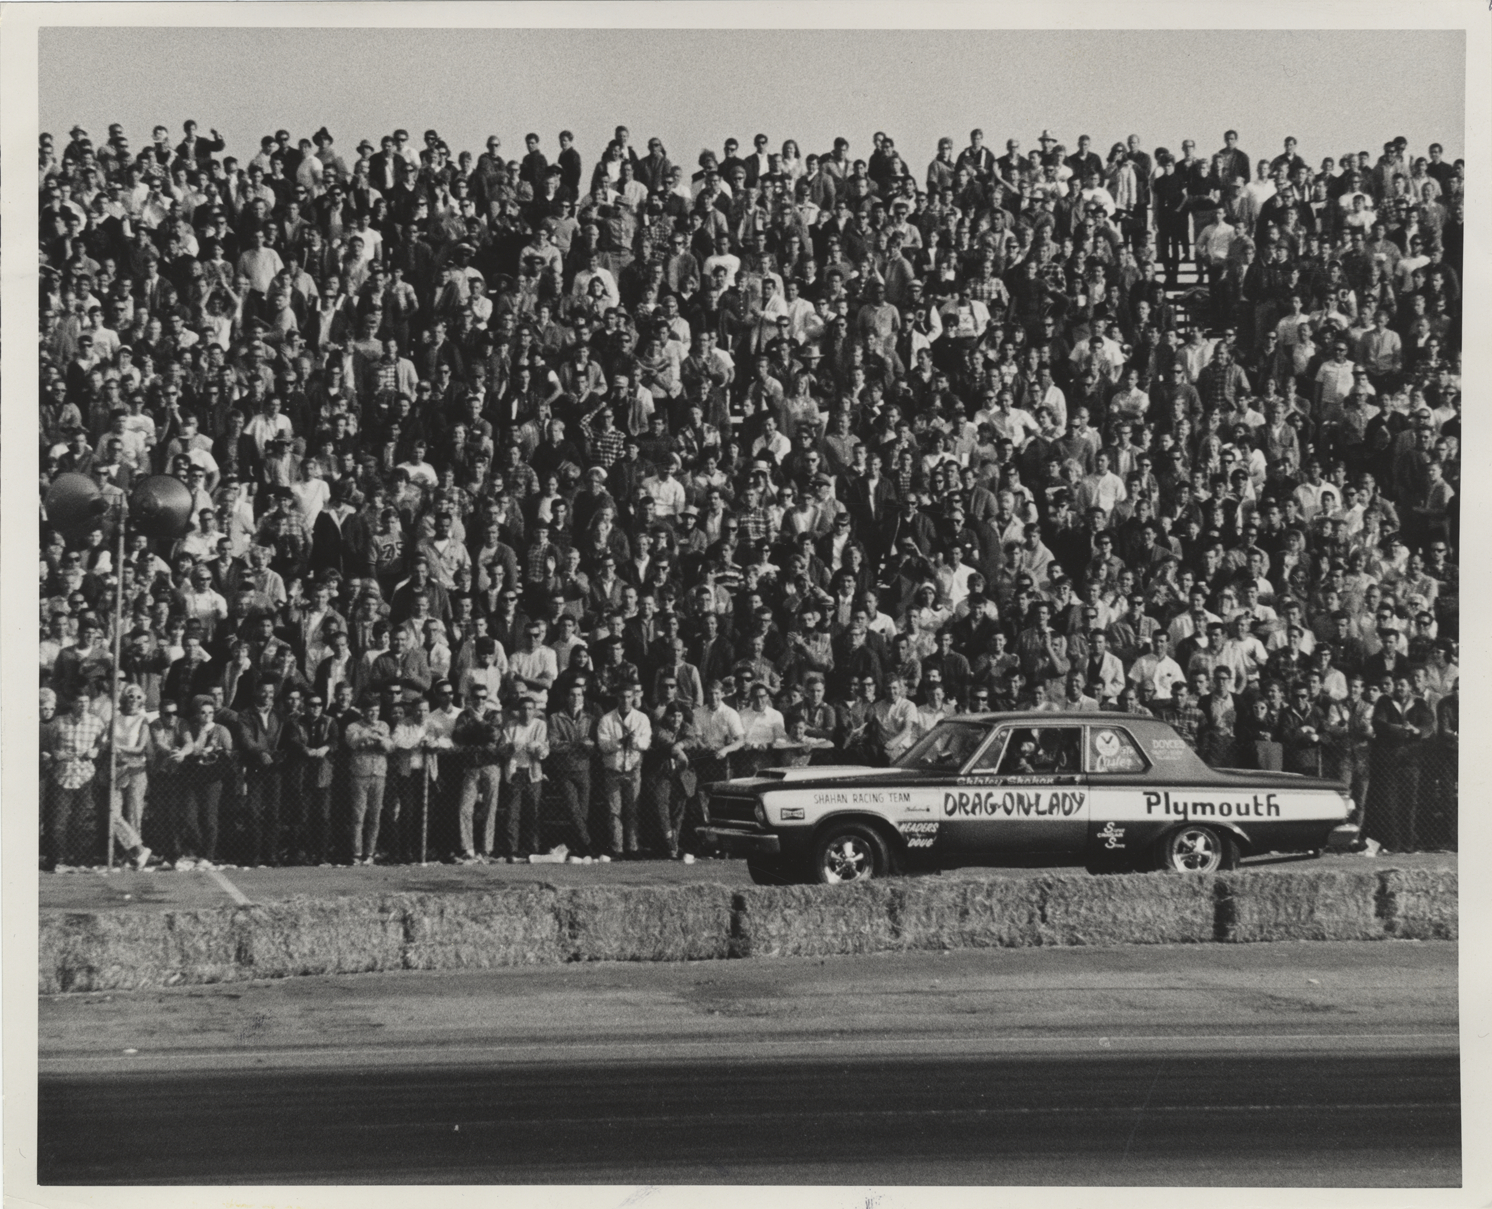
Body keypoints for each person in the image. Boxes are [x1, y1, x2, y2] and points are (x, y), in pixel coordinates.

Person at [597, 680, 651, 858]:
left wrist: (633, 740)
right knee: (614, 810)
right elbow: (603, 745)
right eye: (621, 697)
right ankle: (617, 848)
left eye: (628, 697)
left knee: (632, 809)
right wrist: (619, 741)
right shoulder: (607, 719)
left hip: (633, 769)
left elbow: (645, 743)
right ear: (616, 698)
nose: (625, 701)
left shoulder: (641, 718)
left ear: (634, 697)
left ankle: (632, 847)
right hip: (613, 770)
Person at [344, 696, 394, 865]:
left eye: (377, 711)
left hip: (379, 774)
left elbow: (389, 747)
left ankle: (370, 853)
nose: (374, 714)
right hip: (360, 774)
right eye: (371, 710)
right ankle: (356, 853)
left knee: (375, 815)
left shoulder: (384, 726)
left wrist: (380, 739)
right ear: (363, 711)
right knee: (358, 816)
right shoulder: (353, 726)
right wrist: (367, 734)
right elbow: (352, 742)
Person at [499, 692, 550, 860]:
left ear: (535, 711)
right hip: (515, 772)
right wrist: (512, 748)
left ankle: (532, 849)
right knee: (513, 813)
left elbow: (542, 749)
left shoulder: (540, 725)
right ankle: (511, 849)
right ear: (518, 711)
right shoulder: (510, 726)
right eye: (523, 709)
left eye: (530, 709)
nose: (527, 712)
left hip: (533, 772)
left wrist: (534, 749)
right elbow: (503, 749)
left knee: (533, 812)